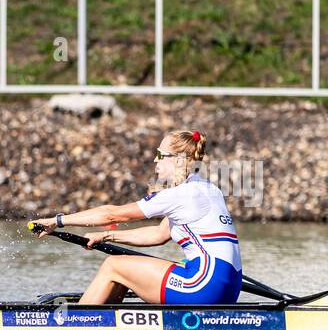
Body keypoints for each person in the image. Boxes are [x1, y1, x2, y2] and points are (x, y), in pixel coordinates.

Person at [31, 130, 242, 305]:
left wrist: (57, 221)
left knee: (113, 265)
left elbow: (111, 214)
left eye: (160, 155)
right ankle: (108, 327)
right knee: (126, 271)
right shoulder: (208, 189)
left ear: (178, 160)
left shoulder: (180, 195)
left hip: (204, 286)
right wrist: (106, 237)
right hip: (229, 288)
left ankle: (76, 322)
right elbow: (158, 234)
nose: (154, 160)